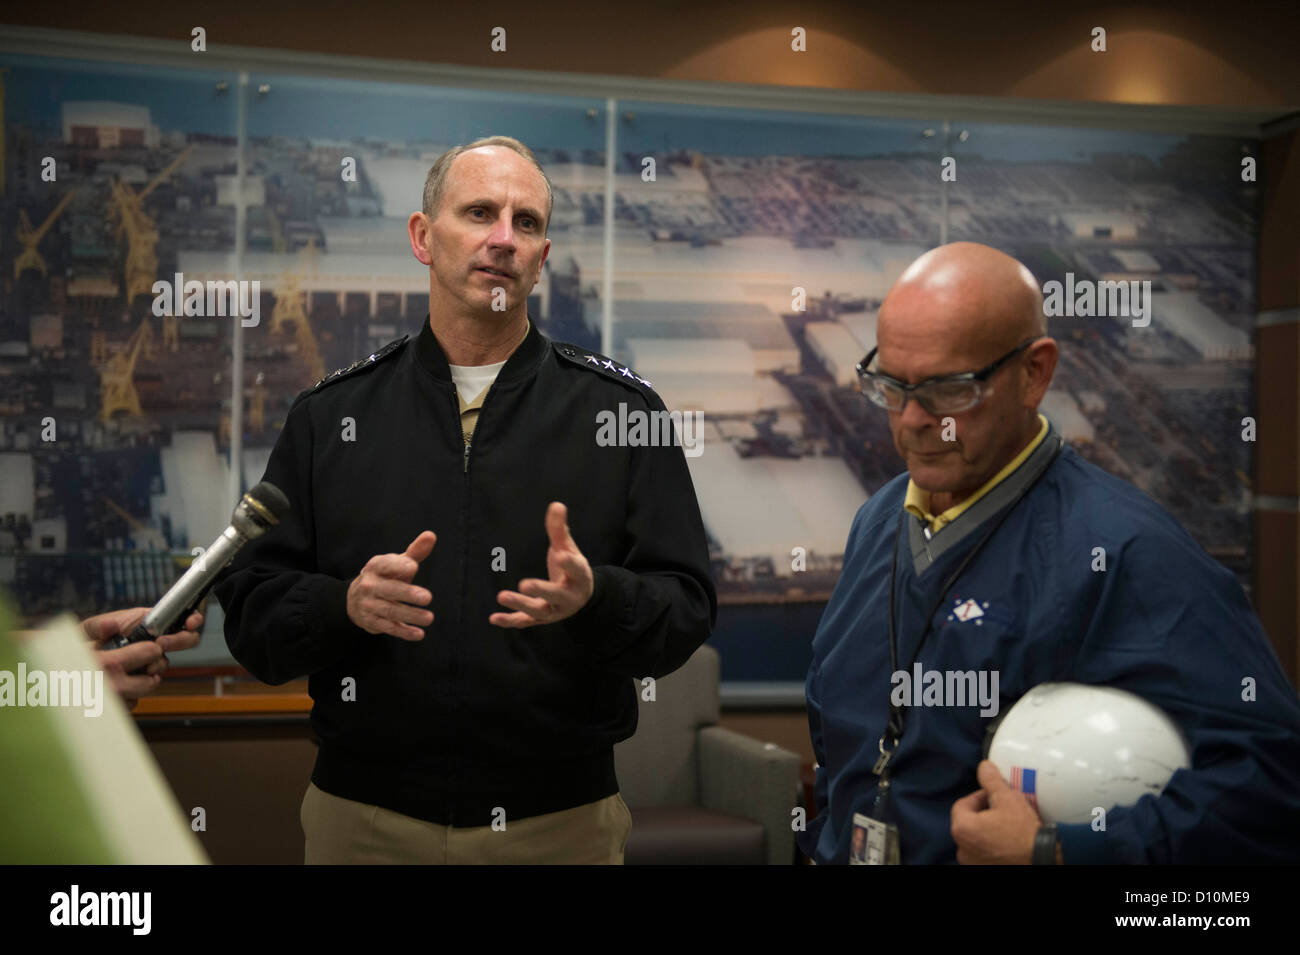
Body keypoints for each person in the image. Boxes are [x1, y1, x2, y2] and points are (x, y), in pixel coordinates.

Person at [214, 136, 716, 865]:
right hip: (365, 822)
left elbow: (687, 607)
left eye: (528, 222)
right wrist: (342, 606)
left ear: (543, 257)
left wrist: (598, 598)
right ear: (423, 237)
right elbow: (251, 614)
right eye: (480, 212)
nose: (504, 239)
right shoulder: (329, 417)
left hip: (561, 825)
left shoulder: (624, 414)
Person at [800, 241, 1300, 864]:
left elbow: (1269, 788)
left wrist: (1057, 853)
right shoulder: (876, 524)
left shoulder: (1126, 552)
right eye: (889, 386)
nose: (910, 421)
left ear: (1034, 373)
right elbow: (836, 732)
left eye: (948, 391)